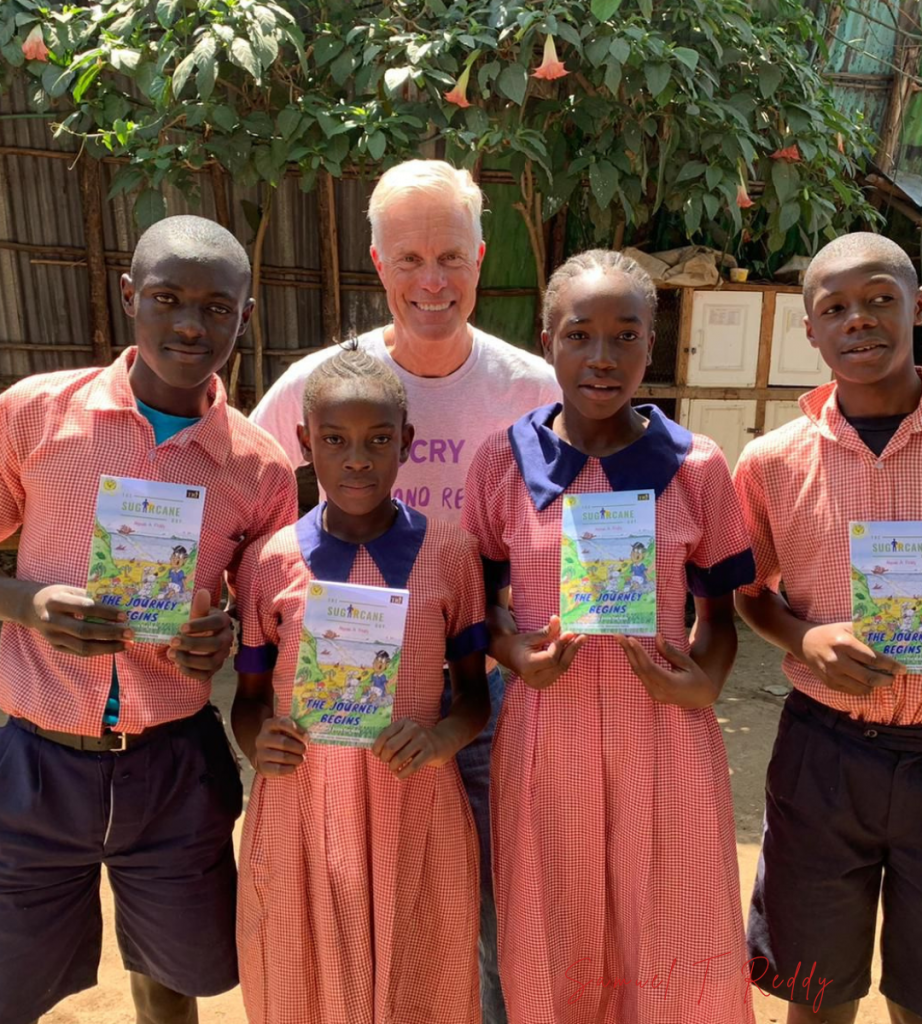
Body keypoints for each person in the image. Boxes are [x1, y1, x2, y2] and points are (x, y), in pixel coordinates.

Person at [250, 157, 559, 1022]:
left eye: (452, 257)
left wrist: (515, 643)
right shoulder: (310, 393)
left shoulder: (532, 391)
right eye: (411, 259)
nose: (433, 281)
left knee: (498, 910)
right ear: (377, 262)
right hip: (336, 734)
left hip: (482, 697)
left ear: (482, 257)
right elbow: (262, 544)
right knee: (347, 907)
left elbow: (568, 541)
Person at [0, 215, 298, 1024]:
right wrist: (26, 602)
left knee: (170, 978)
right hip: (34, 758)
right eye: (166, 298)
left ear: (246, 316)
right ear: (129, 296)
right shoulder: (34, 414)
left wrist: (221, 635)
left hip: (172, 762)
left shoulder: (259, 467)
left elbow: (259, 616)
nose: (190, 325)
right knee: (10, 979)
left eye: (215, 307)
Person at [462, 249, 757, 1024]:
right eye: (579, 335)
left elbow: (721, 617)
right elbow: (476, 608)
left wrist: (703, 682)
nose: (602, 358)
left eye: (624, 336)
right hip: (542, 736)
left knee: (666, 929)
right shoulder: (501, 463)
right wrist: (513, 652)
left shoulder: (697, 468)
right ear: (546, 338)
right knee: (552, 930)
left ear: (651, 344)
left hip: (665, 732)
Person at [232, 345, 490, 1024]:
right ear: (304, 443)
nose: (357, 459)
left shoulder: (450, 554)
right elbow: (250, 703)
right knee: (303, 973)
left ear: (405, 442)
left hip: (412, 793)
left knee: (420, 968)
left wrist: (438, 739)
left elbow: (473, 697)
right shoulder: (271, 561)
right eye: (335, 440)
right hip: (304, 800)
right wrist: (261, 744)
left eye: (378, 440)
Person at [733, 232, 922, 1024]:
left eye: (881, 298)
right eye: (835, 308)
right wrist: (804, 639)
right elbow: (746, 591)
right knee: (815, 992)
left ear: (918, 307)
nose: (861, 320)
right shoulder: (771, 463)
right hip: (823, 753)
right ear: (808, 331)